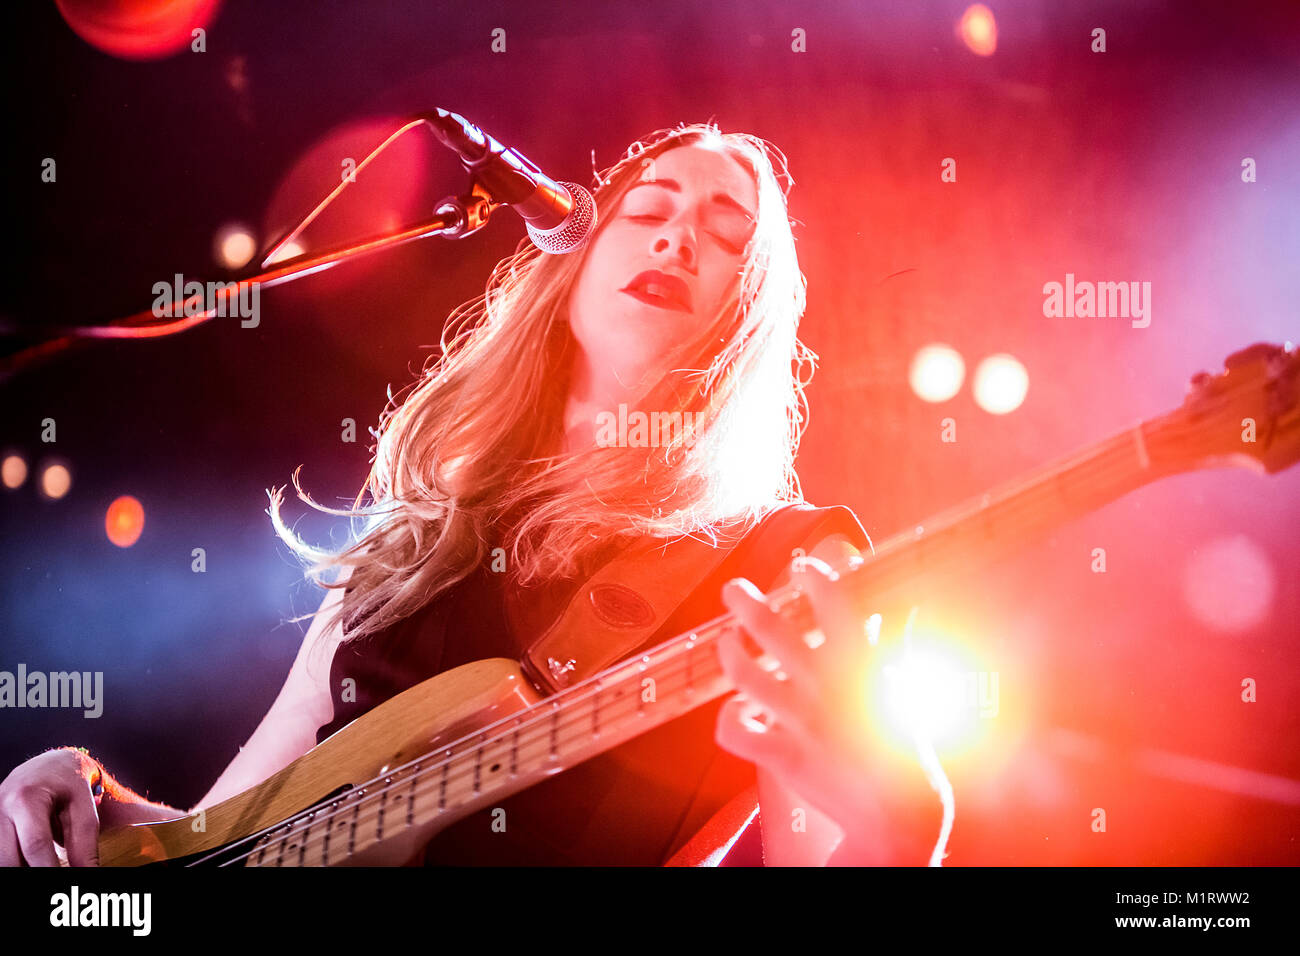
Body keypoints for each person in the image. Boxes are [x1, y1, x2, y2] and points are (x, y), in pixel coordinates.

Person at [0, 122, 944, 867]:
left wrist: (905, 830)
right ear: (569, 265)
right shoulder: (409, 543)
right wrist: (103, 813)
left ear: (751, 316)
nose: (679, 235)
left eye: (728, 233)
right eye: (647, 207)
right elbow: (226, 839)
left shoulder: (786, 564)